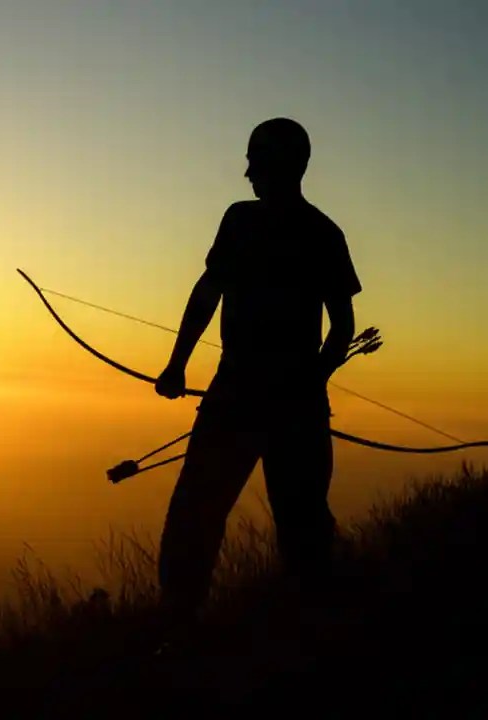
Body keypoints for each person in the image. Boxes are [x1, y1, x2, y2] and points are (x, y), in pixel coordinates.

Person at [153, 117, 361, 621]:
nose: (247, 173)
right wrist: (176, 364)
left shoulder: (269, 225)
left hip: (254, 396)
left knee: (222, 518)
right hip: (280, 399)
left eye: (256, 162)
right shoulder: (312, 231)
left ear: (281, 166)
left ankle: (188, 630)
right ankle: (302, 632)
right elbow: (340, 330)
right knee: (270, 521)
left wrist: (177, 367)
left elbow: (342, 327)